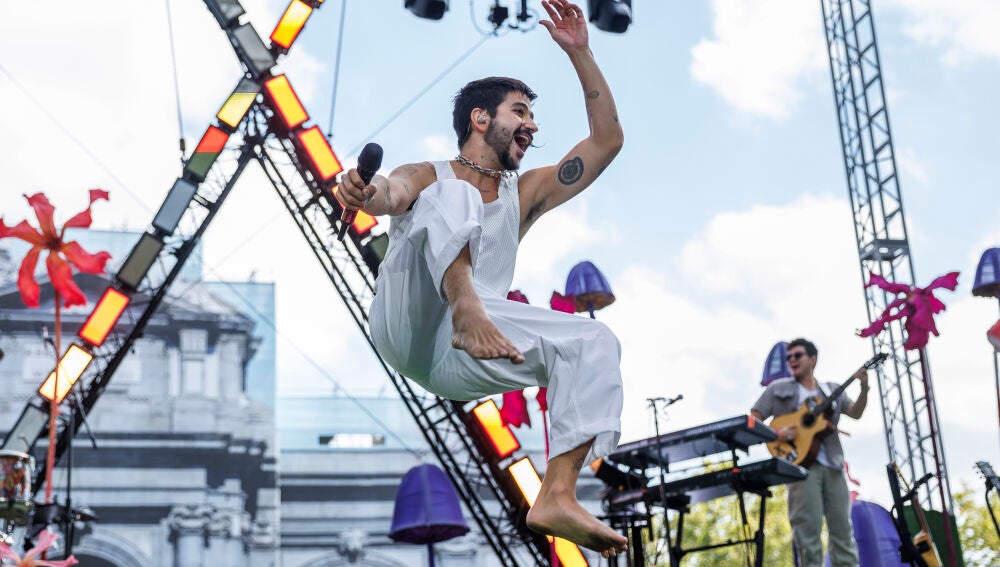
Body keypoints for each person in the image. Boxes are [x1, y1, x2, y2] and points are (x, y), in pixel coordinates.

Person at [334, 0, 627, 557]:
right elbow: (388, 193)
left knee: (594, 342)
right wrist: (362, 193)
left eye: (532, 117)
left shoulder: (527, 192)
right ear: (480, 118)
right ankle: (463, 302)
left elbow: (606, 142)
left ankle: (556, 494)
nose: (532, 125)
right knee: (456, 193)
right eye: (521, 112)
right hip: (412, 325)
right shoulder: (429, 174)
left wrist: (581, 53)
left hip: (466, 358)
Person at [751, 338, 870, 567]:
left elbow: (855, 412)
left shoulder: (831, 390)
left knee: (843, 531)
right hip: (800, 468)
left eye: (797, 355)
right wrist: (777, 434)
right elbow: (754, 418)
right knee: (807, 533)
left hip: (833, 466)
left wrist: (864, 388)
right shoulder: (778, 388)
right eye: (789, 357)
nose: (792, 360)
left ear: (812, 359)